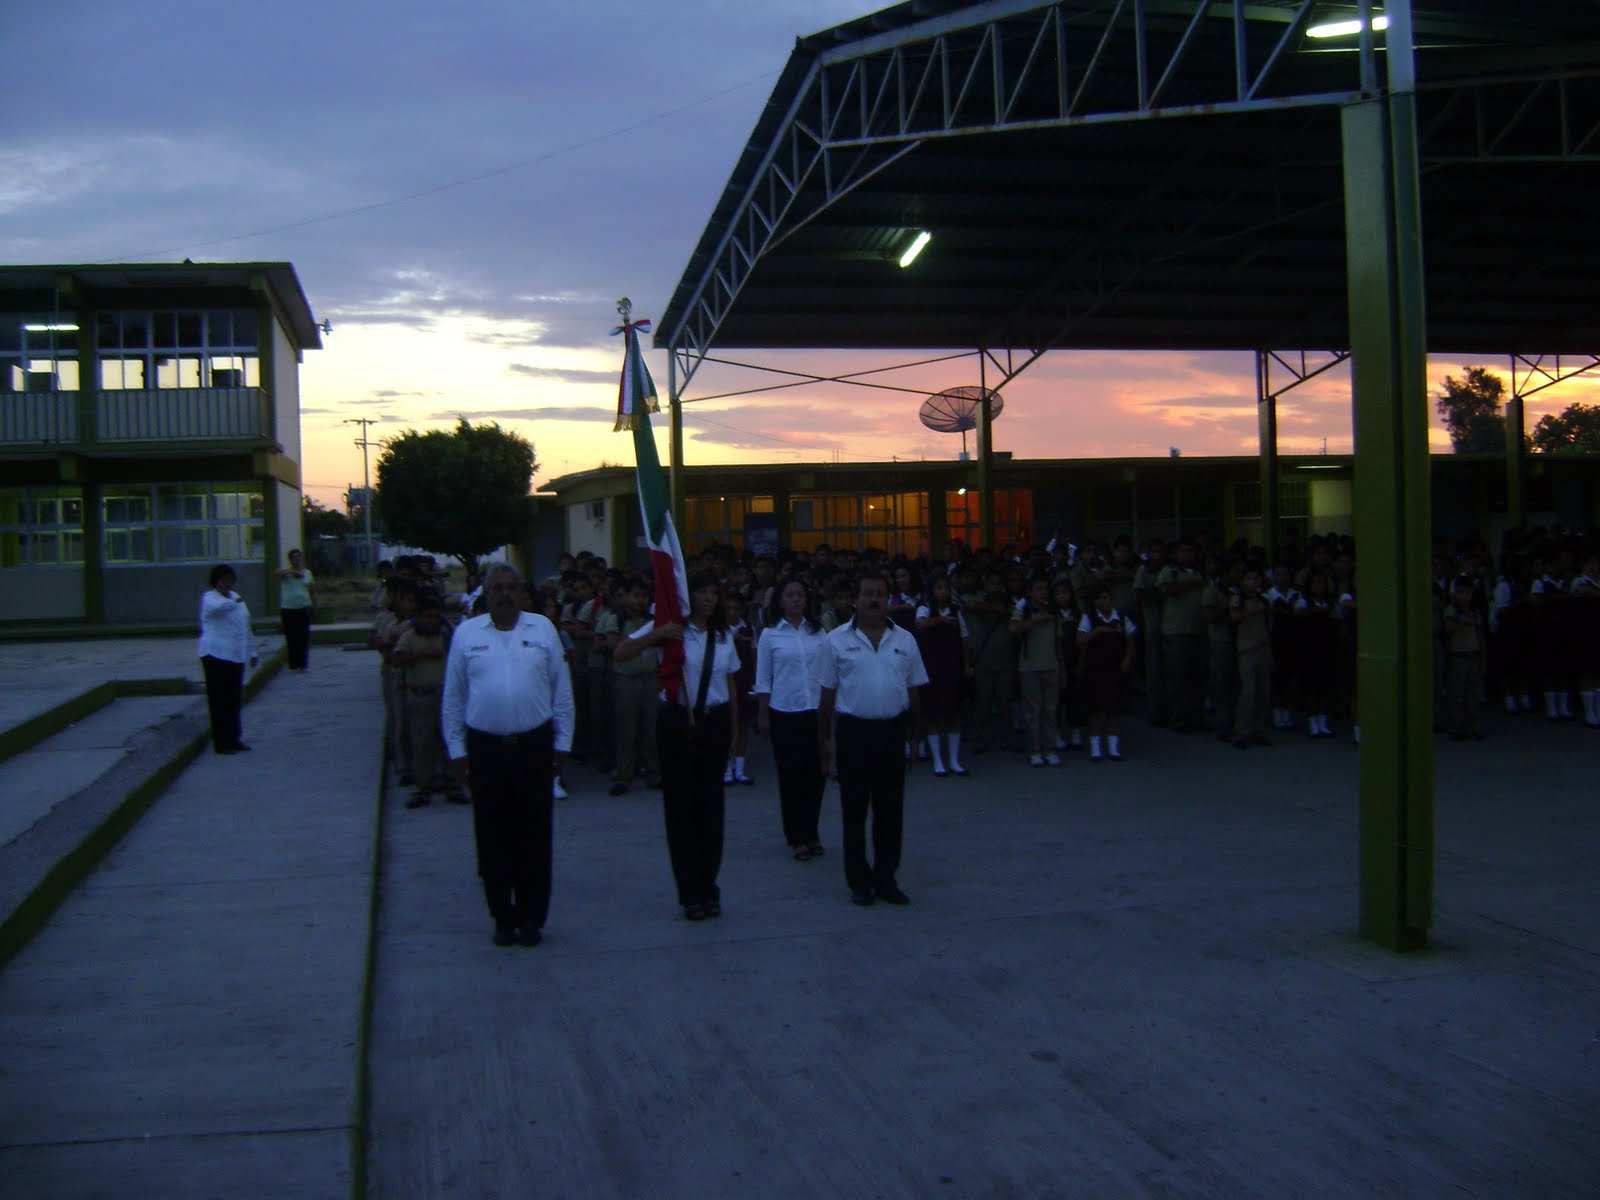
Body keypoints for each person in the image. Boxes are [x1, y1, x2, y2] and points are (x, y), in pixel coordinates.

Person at [442, 563, 574, 948]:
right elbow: (453, 698)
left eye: (511, 587)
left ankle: (532, 917)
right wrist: (456, 751)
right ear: (485, 594)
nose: (504, 593)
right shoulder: (467, 634)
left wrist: (562, 745)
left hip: (534, 746)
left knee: (534, 837)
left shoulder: (543, 630)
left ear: (522, 593)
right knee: (493, 837)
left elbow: (561, 693)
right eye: (496, 587)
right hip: (485, 749)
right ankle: (502, 916)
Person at [615, 567, 741, 921]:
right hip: (676, 721)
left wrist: (734, 733)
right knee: (681, 810)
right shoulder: (671, 630)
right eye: (702, 592)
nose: (708, 599)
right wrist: (657, 635)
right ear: (690, 596)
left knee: (711, 810)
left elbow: (729, 685)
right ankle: (690, 894)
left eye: (714, 594)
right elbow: (621, 652)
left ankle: (709, 886)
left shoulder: (723, 635)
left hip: (713, 722)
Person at [815, 570, 929, 907]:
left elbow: (915, 692)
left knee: (890, 811)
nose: (874, 600)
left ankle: (886, 877)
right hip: (853, 734)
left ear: (888, 599)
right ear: (856, 599)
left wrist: (914, 739)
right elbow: (826, 695)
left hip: (892, 732)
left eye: (880, 594)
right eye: (867, 594)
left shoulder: (905, 640)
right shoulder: (835, 640)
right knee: (854, 812)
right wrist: (824, 741)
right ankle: (859, 881)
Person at [755, 578, 827, 861]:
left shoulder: (819, 633)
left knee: (815, 775)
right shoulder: (770, 635)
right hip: (785, 711)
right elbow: (763, 680)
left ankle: (812, 831)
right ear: (781, 600)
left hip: (816, 710)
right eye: (790, 595)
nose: (796, 599)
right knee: (791, 776)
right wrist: (763, 716)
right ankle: (796, 836)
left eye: (800, 595)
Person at [391, 590, 462, 807]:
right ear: (419, 617)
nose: (431, 621)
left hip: (444, 695)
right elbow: (396, 659)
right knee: (421, 743)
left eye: (435, 616)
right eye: (427, 616)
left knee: (449, 741)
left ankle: (453, 784)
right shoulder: (409, 637)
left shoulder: (446, 636)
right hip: (419, 696)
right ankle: (423, 787)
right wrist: (421, 655)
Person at [597, 579, 661, 796]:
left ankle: (653, 772)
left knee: (651, 728)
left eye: (644, 596)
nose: (640, 600)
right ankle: (624, 774)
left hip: (651, 677)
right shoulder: (616, 618)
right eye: (635, 595)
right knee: (626, 728)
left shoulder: (653, 620)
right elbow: (613, 645)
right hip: (626, 679)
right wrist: (642, 640)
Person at [198, 563, 258, 755]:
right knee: (219, 700)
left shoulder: (237, 599)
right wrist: (233, 602)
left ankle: (234, 738)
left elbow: (245, 627)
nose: (227, 584)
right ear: (216, 581)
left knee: (234, 699)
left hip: (235, 655)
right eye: (223, 580)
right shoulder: (210, 598)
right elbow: (217, 609)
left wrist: (252, 652)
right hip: (215, 654)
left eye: (230, 580)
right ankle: (221, 742)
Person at [915, 572, 970, 776]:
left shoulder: (956, 611)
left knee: (955, 713)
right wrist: (941, 620)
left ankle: (954, 760)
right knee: (932, 714)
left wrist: (966, 665)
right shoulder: (924, 608)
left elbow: (965, 639)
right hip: (932, 667)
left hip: (952, 667)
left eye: (946, 588)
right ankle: (938, 760)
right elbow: (920, 624)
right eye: (939, 588)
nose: (943, 591)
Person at [1076, 585, 1136, 761]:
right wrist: (1098, 630)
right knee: (1096, 709)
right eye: (1098, 598)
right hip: (1095, 670)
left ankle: (1113, 748)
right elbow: (1080, 640)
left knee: (1114, 709)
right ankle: (1096, 748)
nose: (1102, 602)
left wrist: (1127, 659)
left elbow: (1131, 640)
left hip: (1115, 670)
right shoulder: (1089, 618)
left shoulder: (1121, 618)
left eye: (1105, 597)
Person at [1011, 575, 1062, 767]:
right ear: (1030, 591)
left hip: (1051, 665)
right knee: (1033, 710)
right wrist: (1033, 622)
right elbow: (1013, 628)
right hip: (1029, 666)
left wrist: (1061, 664)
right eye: (1038, 589)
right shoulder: (1023, 609)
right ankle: (1035, 749)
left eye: (1044, 589)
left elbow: (1058, 640)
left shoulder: (1053, 610)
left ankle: (1050, 748)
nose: (1042, 593)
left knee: (1050, 709)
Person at [1229, 565, 1273, 749]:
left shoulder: (1264, 599)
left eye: (1256, 578)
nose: (1253, 582)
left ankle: (1259, 730)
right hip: (1246, 649)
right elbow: (1234, 617)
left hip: (1263, 647)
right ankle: (1241, 732)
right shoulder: (1238, 598)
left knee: (1263, 691)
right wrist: (1254, 611)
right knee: (1248, 691)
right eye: (1249, 578)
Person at [1441, 575, 1487, 741]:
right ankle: (1455, 727)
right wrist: (1465, 621)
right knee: (1456, 694)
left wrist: (1483, 656)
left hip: (1473, 654)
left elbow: (1480, 633)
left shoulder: (1475, 611)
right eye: (1462, 593)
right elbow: (1449, 627)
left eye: (1468, 593)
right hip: (1457, 656)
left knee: (1473, 695)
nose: (1465, 596)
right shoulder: (1451, 610)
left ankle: (1472, 727)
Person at [275, 548, 316, 672]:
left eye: (299, 557)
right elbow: (277, 573)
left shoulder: (307, 573)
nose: (297, 559)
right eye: (294, 557)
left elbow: (312, 591)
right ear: (290, 559)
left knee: (303, 637)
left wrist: (315, 606)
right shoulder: (286, 574)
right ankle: (294, 664)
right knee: (291, 637)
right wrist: (292, 573)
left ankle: (303, 664)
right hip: (288, 608)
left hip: (303, 607)